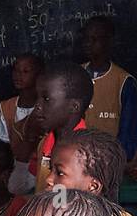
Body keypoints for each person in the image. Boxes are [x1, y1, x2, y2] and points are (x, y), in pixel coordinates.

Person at [25, 61, 91, 195]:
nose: (37, 105)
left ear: (74, 106)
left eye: (46, 99)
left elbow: (61, 202)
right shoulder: (44, 143)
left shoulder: (86, 152)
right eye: (37, 97)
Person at [80, 16, 137, 161]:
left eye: (95, 39)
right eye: (87, 39)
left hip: (109, 161)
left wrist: (118, 160)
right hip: (77, 159)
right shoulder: (75, 75)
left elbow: (129, 130)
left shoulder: (124, 81)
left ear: (108, 42)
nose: (89, 44)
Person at [0, 54, 44, 194]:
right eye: (16, 70)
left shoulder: (46, 107)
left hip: (41, 171)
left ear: (39, 74)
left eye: (25, 71)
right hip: (16, 172)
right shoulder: (7, 107)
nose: (18, 75)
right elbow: (0, 145)